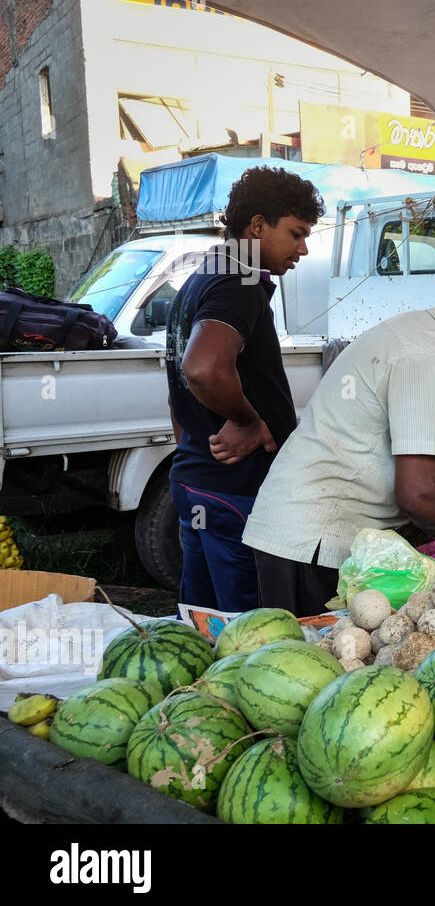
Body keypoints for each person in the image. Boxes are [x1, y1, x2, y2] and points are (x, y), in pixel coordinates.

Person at [242, 277, 435, 616]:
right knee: (305, 659)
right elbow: (420, 495)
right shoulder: (428, 358)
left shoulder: (423, 335)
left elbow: (433, 469)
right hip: (312, 540)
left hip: (309, 533)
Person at [164, 167, 324, 612]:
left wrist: (194, 447)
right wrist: (249, 422)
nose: (303, 248)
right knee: (250, 633)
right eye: (295, 233)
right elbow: (200, 369)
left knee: (203, 621)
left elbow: (178, 384)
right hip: (235, 492)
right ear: (257, 226)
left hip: (198, 482)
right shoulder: (239, 281)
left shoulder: (201, 276)